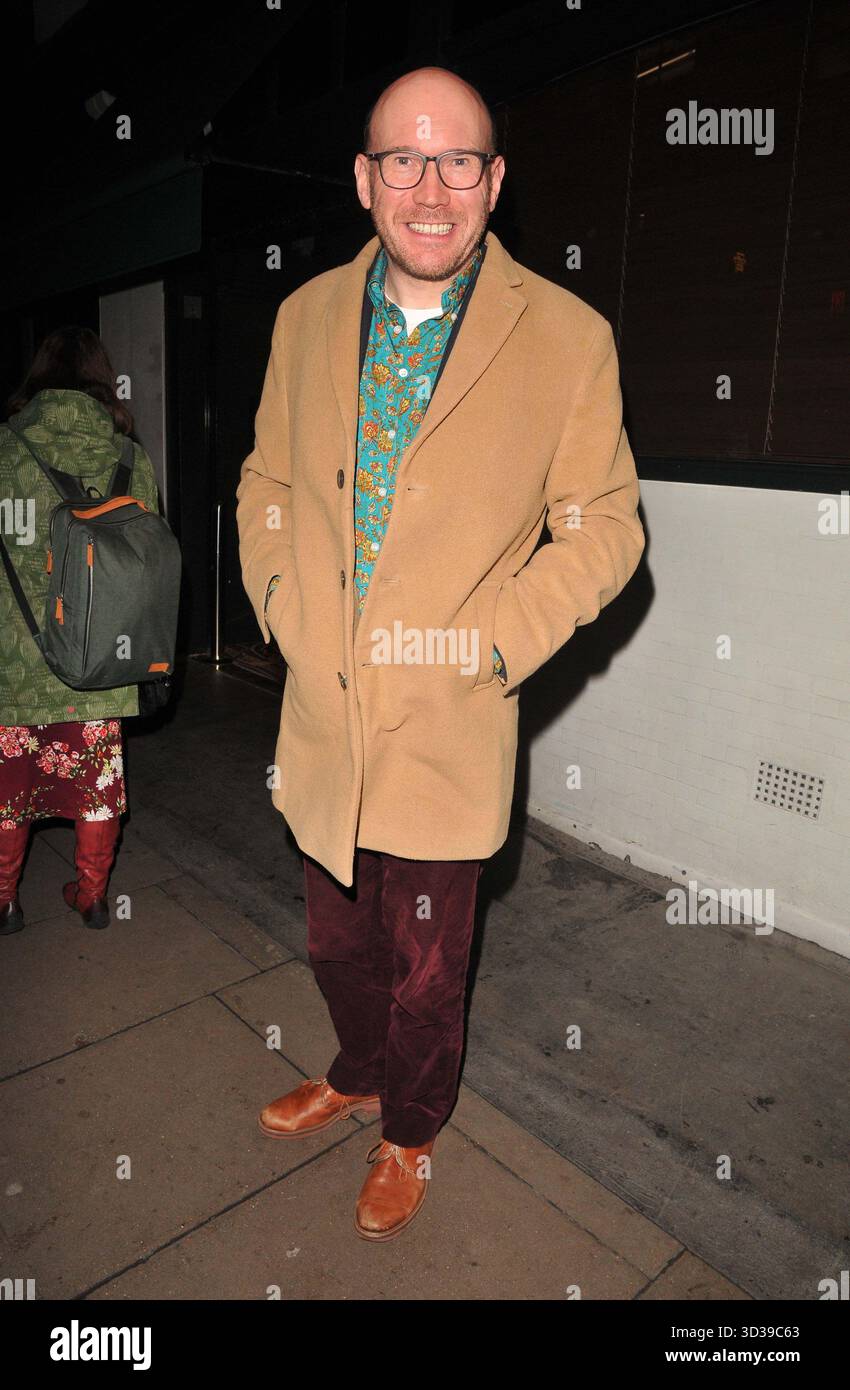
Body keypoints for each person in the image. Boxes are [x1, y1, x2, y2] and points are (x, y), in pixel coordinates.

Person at [236, 66, 646, 1241]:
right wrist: (274, 593)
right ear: (364, 179)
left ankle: (407, 1132)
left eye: (457, 160)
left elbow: (607, 526)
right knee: (333, 939)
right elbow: (265, 481)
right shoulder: (304, 313)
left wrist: (496, 642)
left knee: (426, 972)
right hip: (322, 710)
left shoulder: (567, 337)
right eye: (402, 160)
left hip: (450, 723)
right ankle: (355, 1069)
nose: (430, 187)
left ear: (493, 180)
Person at [0, 326, 160, 934]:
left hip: (14, 661)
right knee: (95, 784)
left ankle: (5, 900)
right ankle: (92, 895)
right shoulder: (128, 457)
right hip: (98, 656)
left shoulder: (5, 449)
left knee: (8, 786)